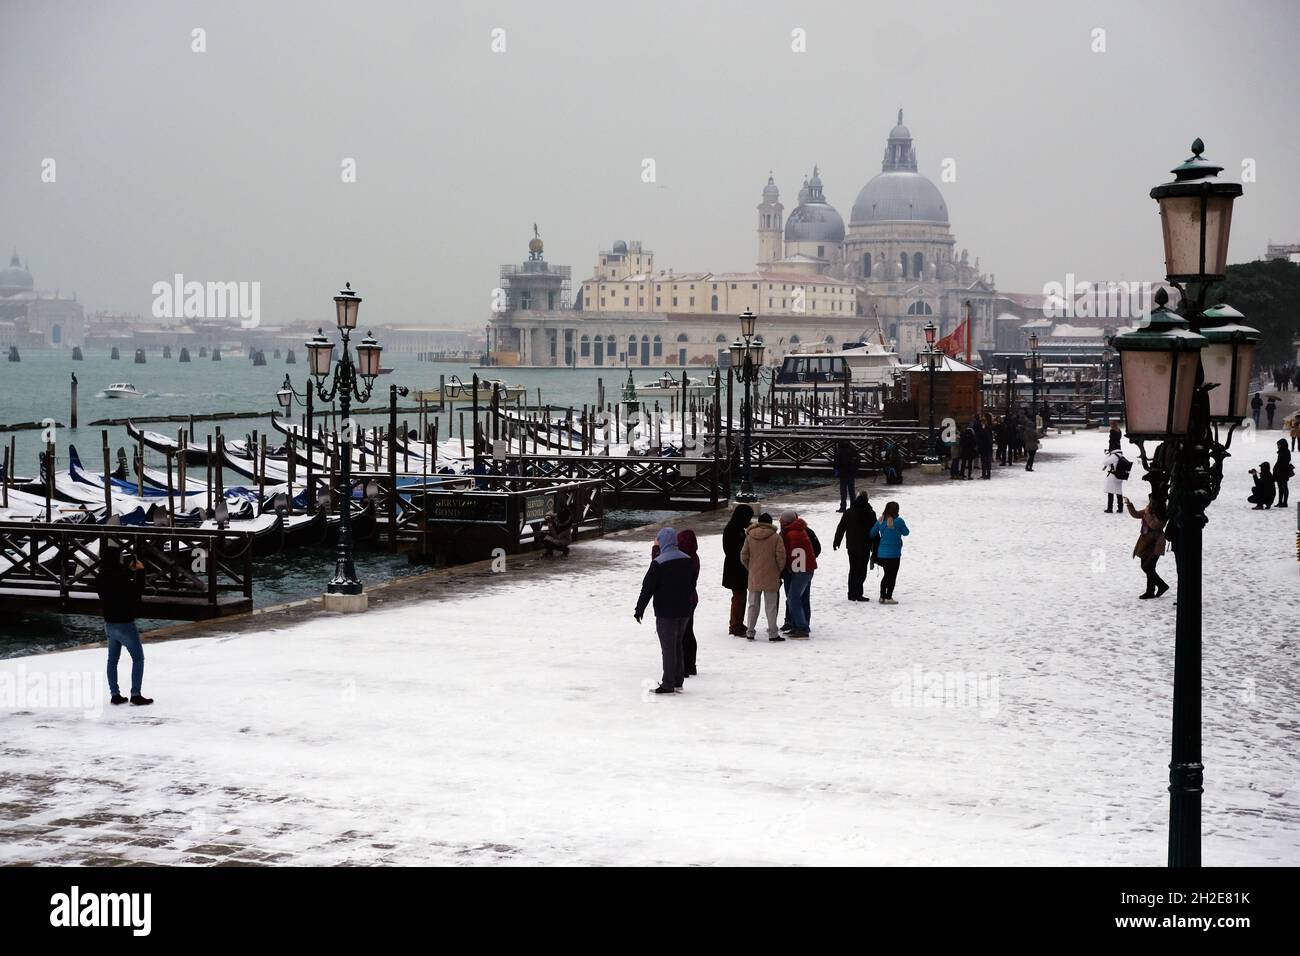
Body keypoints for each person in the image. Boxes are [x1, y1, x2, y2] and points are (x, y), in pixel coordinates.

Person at [634, 527, 699, 694]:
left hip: (666, 611)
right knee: (677, 645)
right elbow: (692, 584)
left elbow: (647, 588)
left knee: (668, 648)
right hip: (685, 610)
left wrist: (639, 608)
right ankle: (678, 681)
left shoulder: (659, 563)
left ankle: (668, 683)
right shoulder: (687, 560)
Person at [97, 542, 153, 706]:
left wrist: (129, 571)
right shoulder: (120, 577)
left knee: (112, 660)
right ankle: (135, 694)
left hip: (109, 623)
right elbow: (135, 591)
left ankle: (115, 694)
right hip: (125, 624)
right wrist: (141, 571)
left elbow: (115, 582)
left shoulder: (100, 577)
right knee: (138, 658)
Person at [739, 512, 786, 642]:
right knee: (771, 606)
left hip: (754, 575)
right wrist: (777, 570)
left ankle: (750, 632)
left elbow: (744, 556)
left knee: (753, 605)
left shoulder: (749, 535)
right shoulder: (776, 537)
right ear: (770, 523)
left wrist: (751, 568)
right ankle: (772, 633)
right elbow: (781, 557)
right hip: (771, 575)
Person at [778, 510, 818, 638]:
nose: (779, 522)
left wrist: (785, 568)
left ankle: (801, 628)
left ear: (786, 522)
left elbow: (790, 554)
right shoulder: (799, 530)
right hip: (805, 570)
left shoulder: (791, 534)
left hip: (800, 571)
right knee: (801, 599)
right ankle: (798, 625)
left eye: (781, 520)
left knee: (793, 599)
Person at [834, 492, 878, 602]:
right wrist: (876, 546)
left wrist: (837, 541)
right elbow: (875, 531)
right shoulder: (871, 513)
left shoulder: (849, 512)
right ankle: (858, 593)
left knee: (853, 569)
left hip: (852, 546)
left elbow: (841, 528)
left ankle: (851, 593)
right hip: (865, 546)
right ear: (867, 499)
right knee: (862, 570)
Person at [1123, 495, 1169, 599]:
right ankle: (1150, 591)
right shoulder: (1148, 510)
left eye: (1152, 502)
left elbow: (1155, 525)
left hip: (1155, 544)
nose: (1150, 504)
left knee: (1147, 567)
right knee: (1148, 567)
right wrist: (1129, 504)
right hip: (1146, 543)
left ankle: (1161, 586)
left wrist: (1147, 514)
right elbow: (1135, 514)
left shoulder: (1162, 513)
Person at [720, 503, 754, 636]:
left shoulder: (734, 526)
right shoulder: (734, 529)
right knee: (739, 597)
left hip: (735, 568)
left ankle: (737, 622)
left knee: (740, 596)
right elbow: (733, 550)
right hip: (735, 569)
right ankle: (735, 624)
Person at [869, 502, 908, 604]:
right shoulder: (899, 521)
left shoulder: (881, 520)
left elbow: (872, 533)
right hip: (894, 554)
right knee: (892, 575)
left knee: (886, 574)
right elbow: (906, 532)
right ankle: (888, 597)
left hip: (882, 554)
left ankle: (882, 596)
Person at [834, 440, 861, 512]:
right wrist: (855, 470)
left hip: (843, 474)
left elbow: (836, 463)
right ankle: (853, 506)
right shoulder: (853, 450)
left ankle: (843, 507)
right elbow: (858, 460)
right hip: (851, 473)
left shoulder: (839, 451)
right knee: (852, 491)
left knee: (843, 492)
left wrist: (837, 471)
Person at [1103, 447, 1129, 513]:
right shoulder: (1120, 455)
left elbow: (1105, 462)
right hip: (1119, 476)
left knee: (1110, 492)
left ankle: (1110, 508)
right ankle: (1120, 508)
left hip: (1113, 476)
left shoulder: (1114, 456)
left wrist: (1107, 454)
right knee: (1118, 492)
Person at [1273, 439, 1293, 507]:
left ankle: (1285, 503)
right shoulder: (1281, 451)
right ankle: (1280, 502)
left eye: (1279, 444)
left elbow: (1284, 463)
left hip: (1283, 473)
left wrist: (1278, 468)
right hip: (1279, 473)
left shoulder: (1286, 452)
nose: (1278, 446)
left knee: (1284, 487)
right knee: (1280, 488)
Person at [977, 413, 994, 479]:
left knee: (984, 461)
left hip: (984, 446)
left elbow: (983, 437)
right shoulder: (989, 426)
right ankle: (987, 474)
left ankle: (985, 474)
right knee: (987, 461)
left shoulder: (986, 427)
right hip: (988, 447)